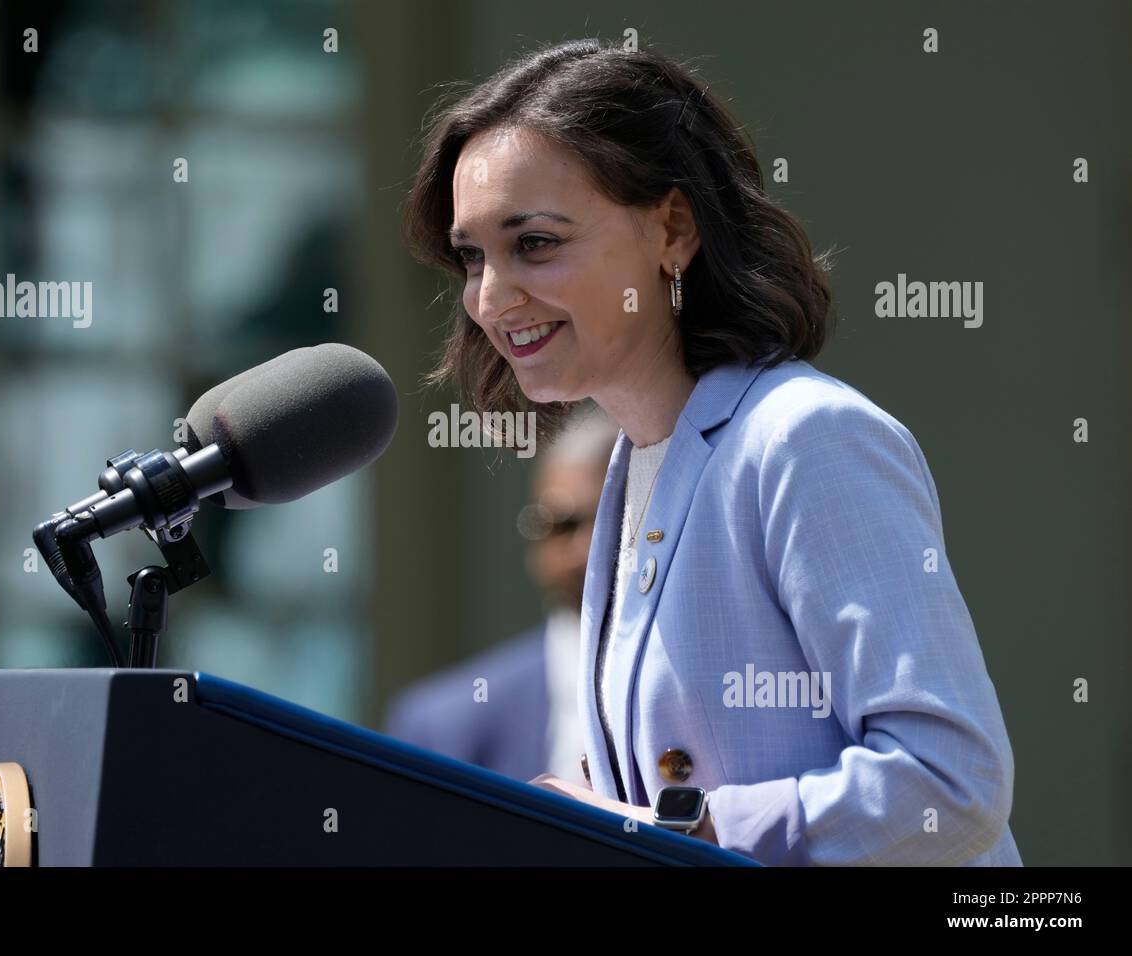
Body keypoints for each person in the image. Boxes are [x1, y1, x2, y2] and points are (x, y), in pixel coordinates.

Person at [401, 37, 1021, 865]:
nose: (490, 295)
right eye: (473, 255)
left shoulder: (804, 437)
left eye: (535, 243)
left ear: (674, 229)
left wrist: (673, 832)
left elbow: (951, 785)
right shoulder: (630, 470)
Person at [383, 410, 620, 785]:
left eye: (610, 519)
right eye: (560, 525)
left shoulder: (715, 697)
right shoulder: (443, 729)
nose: (584, 547)